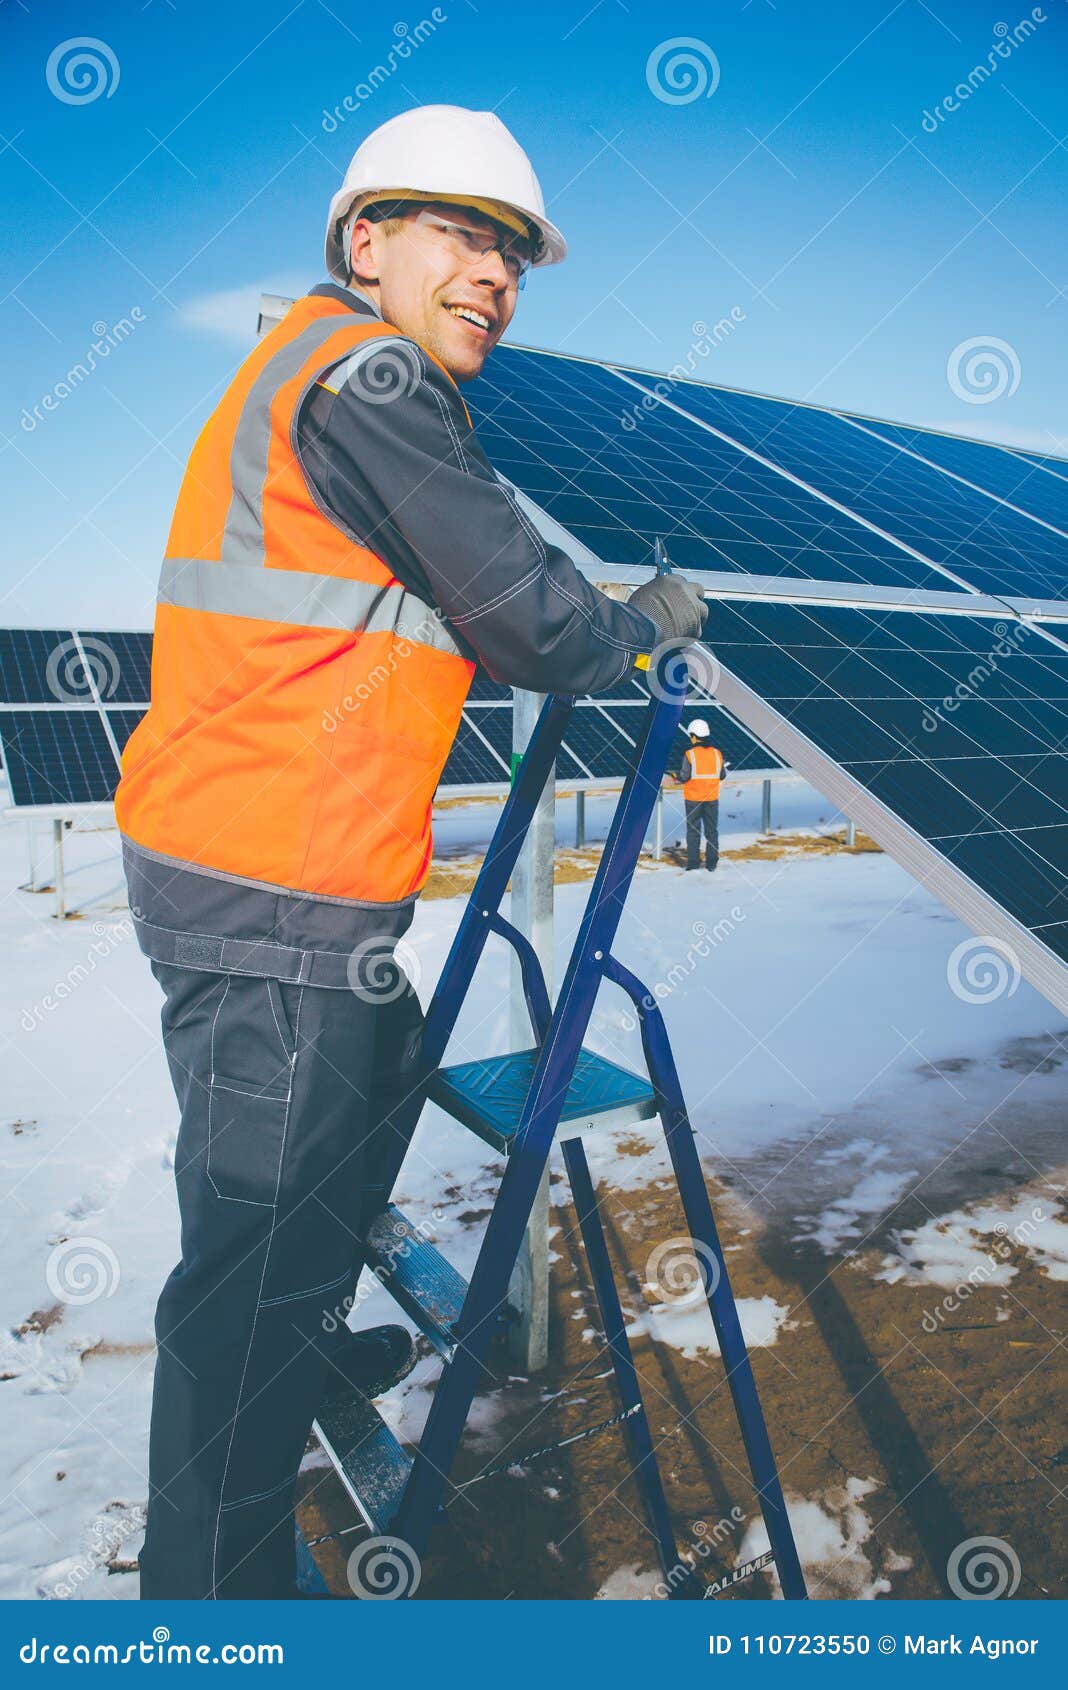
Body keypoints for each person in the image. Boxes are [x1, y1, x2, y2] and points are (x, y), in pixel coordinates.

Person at [113, 103, 708, 1599]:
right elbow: (533, 620)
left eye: (512, 253)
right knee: (243, 1280)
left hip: (275, 873)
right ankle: (212, 1600)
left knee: (357, 1101)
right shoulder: (371, 379)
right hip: (273, 887)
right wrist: (644, 623)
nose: (497, 277)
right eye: (463, 233)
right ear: (364, 240)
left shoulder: (323, 364)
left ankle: (305, 1328)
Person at [674, 718, 728, 871]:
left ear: (694, 736)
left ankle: (693, 864)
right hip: (711, 799)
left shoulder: (690, 754)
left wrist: (675, 776)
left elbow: (684, 776)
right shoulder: (717, 753)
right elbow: (722, 775)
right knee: (712, 831)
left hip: (693, 799)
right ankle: (712, 864)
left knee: (693, 831)